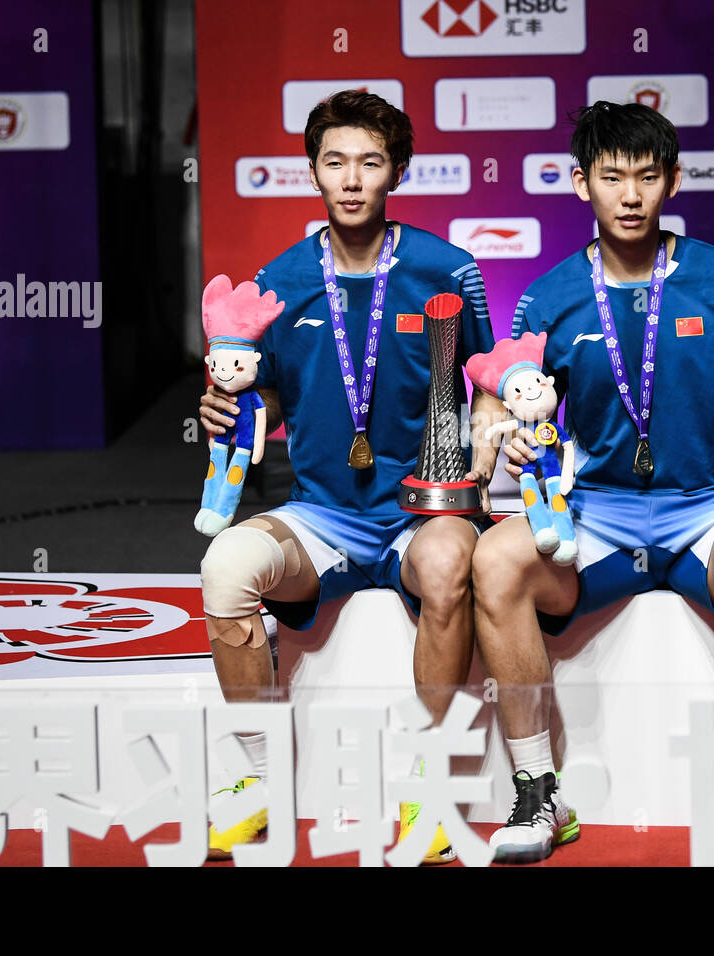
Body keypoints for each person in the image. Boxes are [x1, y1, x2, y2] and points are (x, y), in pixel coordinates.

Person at [471, 101, 714, 864]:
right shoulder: (549, 295)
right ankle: (537, 790)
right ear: (580, 183)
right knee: (494, 562)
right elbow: (497, 395)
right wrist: (501, 436)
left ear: (673, 182)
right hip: (595, 514)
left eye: (647, 178)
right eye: (611, 178)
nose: (629, 196)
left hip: (703, 510)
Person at [197, 90, 501, 863]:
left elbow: (491, 383)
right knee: (227, 565)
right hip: (322, 514)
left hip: (420, 509)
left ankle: (429, 782)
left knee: (447, 564)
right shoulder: (280, 279)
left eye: (370, 162)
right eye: (335, 162)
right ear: (313, 172)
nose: (352, 179)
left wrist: (494, 440)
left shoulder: (448, 269)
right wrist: (220, 409)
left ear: (396, 170)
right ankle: (261, 780)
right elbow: (253, 391)